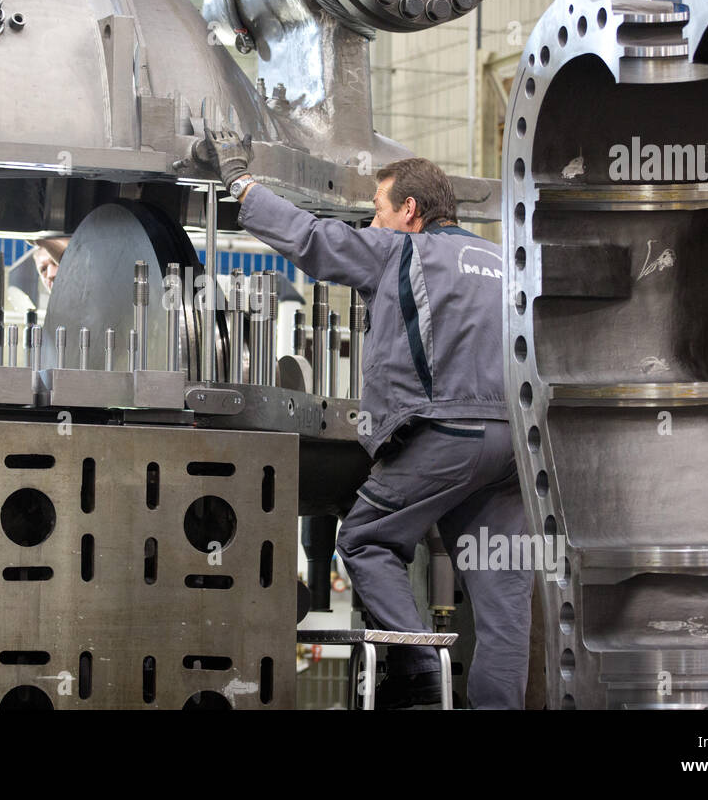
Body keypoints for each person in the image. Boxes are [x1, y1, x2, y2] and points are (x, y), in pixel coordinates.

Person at [205, 127, 531, 709]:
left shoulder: (404, 249)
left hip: (448, 435)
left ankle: (420, 675)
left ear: (409, 210)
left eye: (377, 211)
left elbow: (310, 239)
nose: (371, 224)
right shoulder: (504, 261)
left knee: (365, 537)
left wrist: (241, 182)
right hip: (515, 448)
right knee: (503, 594)